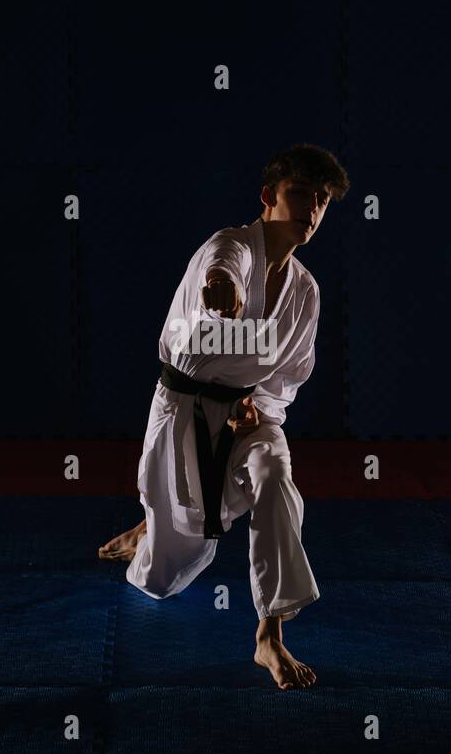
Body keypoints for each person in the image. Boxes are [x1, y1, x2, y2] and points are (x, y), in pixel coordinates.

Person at [98, 143, 350, 690]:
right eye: (301, 194)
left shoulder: (306, 290)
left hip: (248, 417)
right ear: (268, 196)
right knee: (164, 573)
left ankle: (269, 636)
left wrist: (261, 406)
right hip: (184, 410)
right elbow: (221, 276)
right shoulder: (227, 247)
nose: (312, 210)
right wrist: (222, 296)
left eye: (323, 200)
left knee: (276, 478)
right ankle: (150, 532)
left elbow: (288, 375)